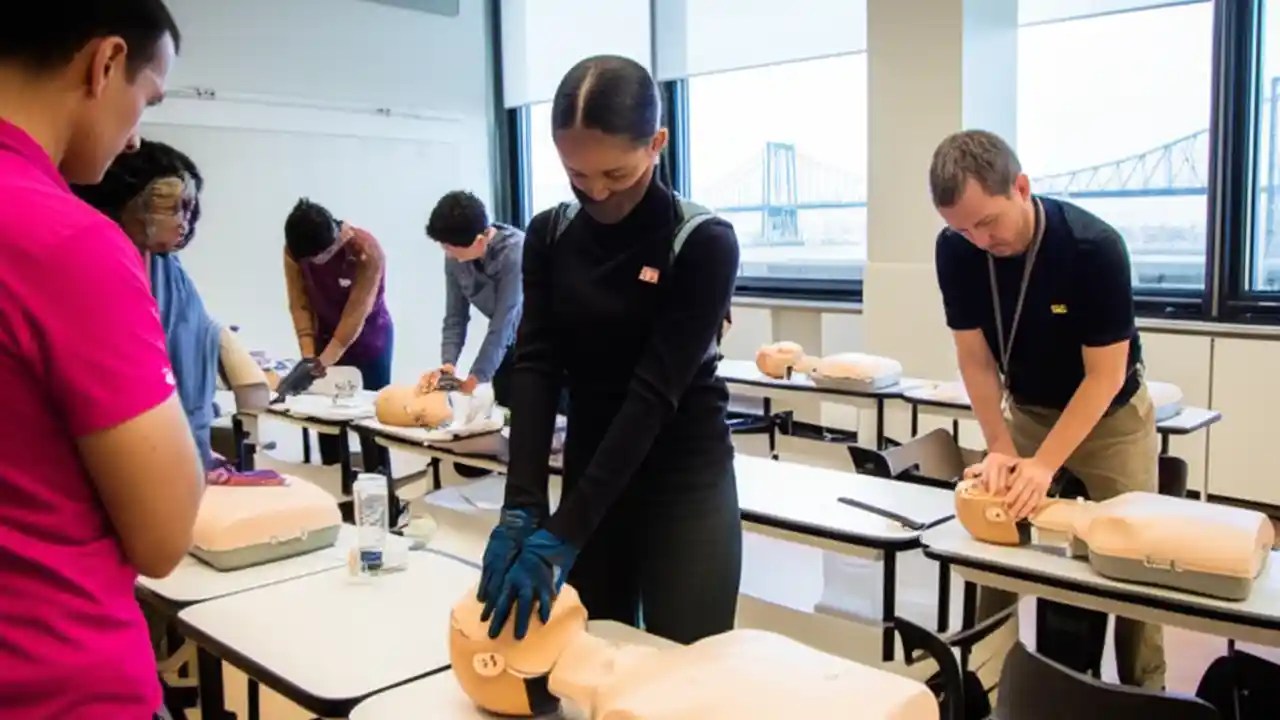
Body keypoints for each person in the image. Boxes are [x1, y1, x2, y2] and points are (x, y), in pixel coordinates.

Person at [478, 55, 743, 645]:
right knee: (591, 652)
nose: (597, 191)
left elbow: (653, 393)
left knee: (688, 664)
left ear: (657, 143)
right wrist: (522, 504)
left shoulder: (702, 242)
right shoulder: (549, 234)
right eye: (577, 174)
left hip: (683, 476)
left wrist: (566, 530)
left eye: (616, 175)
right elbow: (537, 366)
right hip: (591, 460)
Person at [0, 3, 204, 719]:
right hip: (53, 681)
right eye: (145, 99)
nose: (135, 135)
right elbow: (163, 534)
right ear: (104, 62)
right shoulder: (64, 241)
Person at [930, 129, 1163, 689]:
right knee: (992, 548)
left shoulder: (1092, 248)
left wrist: (1044, 466)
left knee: (1139, 566)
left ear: (1021, 187)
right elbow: (976, 360)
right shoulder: (957, 249)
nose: (979, 240)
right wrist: (1002, 449)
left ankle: (1146, 691)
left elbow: (1104, 376)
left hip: (1110, 420)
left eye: (987, 222)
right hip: (1027, 412)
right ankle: (987, 684)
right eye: (961, 228)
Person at [73, 139, 272, 481]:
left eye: (189, 209)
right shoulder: (93, 269)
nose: (184, 222)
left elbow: (197, 334)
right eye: (173, 207)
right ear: (127, 204)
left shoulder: (170, 272)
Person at [282, 198, 394, 473]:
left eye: (317, 258)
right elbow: (300, 304)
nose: (313, 264)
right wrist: (309, 357)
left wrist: (324, 362)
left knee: (371, 424)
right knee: (327, 421)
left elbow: (356, 312)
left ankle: (379, 486)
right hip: (324, 336)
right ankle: (336, 488)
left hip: (369, 339)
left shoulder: (366, 251)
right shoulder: (295, 251)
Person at [424, 190, 524, 406]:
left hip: (543, 344)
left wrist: (476, 377)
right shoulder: (454, 256)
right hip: (506, 348)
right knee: (505, 413)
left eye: (451, 248)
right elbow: (455, 317)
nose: (449, 254)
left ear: (480, 241)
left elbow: (503, 321)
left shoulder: (514, 253)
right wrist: (448, 364)